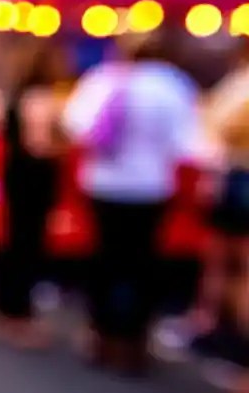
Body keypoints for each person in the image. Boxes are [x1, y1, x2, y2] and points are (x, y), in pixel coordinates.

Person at [63, 31, 202, 375]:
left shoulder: (103, 79)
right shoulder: (172, 85)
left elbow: (75, 126)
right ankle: (132, 339)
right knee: (141, 263)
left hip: (104, 184)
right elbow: (189, 144)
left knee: (104, 258)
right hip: (150, 187)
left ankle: (100, 332)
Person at [0, 40, 64, 349]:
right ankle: (16, 312)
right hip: (34, 178)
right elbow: (40, 144)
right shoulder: (41, 99)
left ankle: (5, 307)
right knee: (27, 244)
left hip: (16, 176)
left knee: (13, 241)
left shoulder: (15, 96)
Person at [192, 38, 249, 386]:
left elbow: (219, 126)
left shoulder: (241, 86)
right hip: (236, 177)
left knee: (231, 263)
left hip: (240, 177)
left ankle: (229, 340)